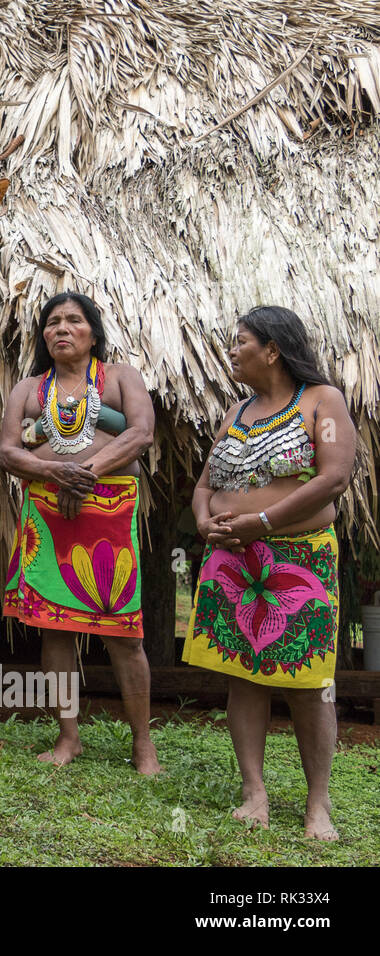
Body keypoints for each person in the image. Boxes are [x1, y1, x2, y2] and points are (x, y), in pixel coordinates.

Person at [183, 306, 355, 840]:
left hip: (298, 559)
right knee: (243, 677)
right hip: (233, 561)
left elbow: (333, 478)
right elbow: (204, 486)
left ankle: (317, 804)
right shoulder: (237, 412)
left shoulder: (322, 401)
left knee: (308, 684)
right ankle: (253, 793)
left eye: (240, 342)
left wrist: (262, 522)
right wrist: (206, 522)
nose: (231, 351)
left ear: (273, 349)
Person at [0, 291, 160, 773]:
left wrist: (81, 472)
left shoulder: (121, 378)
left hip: (107, 513)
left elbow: (140, 435)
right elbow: (9, 452)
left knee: (123, 634)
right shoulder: (28, 389)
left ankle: (143, 744)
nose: (61, 329)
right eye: (52, 323)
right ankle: (68, 737)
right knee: (54, 627)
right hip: (47, 515)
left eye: (73, 320)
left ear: (93, 331)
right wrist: (54, 475)